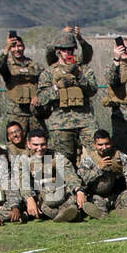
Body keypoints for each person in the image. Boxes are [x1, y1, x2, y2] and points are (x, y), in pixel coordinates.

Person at [35, 31, 98, 165]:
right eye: (64, 49)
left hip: (85, 120)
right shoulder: (49, 73)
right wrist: (57, 88)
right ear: (58, 51)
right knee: (64, 162)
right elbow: (41, 97)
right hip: (60, 122)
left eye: (70, 49)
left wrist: (79, 76)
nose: (68, 52)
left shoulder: (83, 70)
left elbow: (92, 90)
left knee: (97, 155)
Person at [79, 128, 127, 218]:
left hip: (117, 195)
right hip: (97, 196)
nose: (104, 147)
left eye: (107, 144)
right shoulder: (88, 160)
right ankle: (101, 213)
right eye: (100, 145)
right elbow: (82, 180)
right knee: (95, 202)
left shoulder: (120, 157)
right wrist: (99, 168)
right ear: (94, 145)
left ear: (111, 143)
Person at [0, 33, 42, 138]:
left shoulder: (34, 65)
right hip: (16, 113)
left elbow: (45, 82)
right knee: (17, 142)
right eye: (13, 47)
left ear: (24, 47)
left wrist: (39, 95)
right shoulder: (7, 65)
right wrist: (6, 49)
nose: (17, 49)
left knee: (37, 141)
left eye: (19, 46)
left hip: (34, 112)